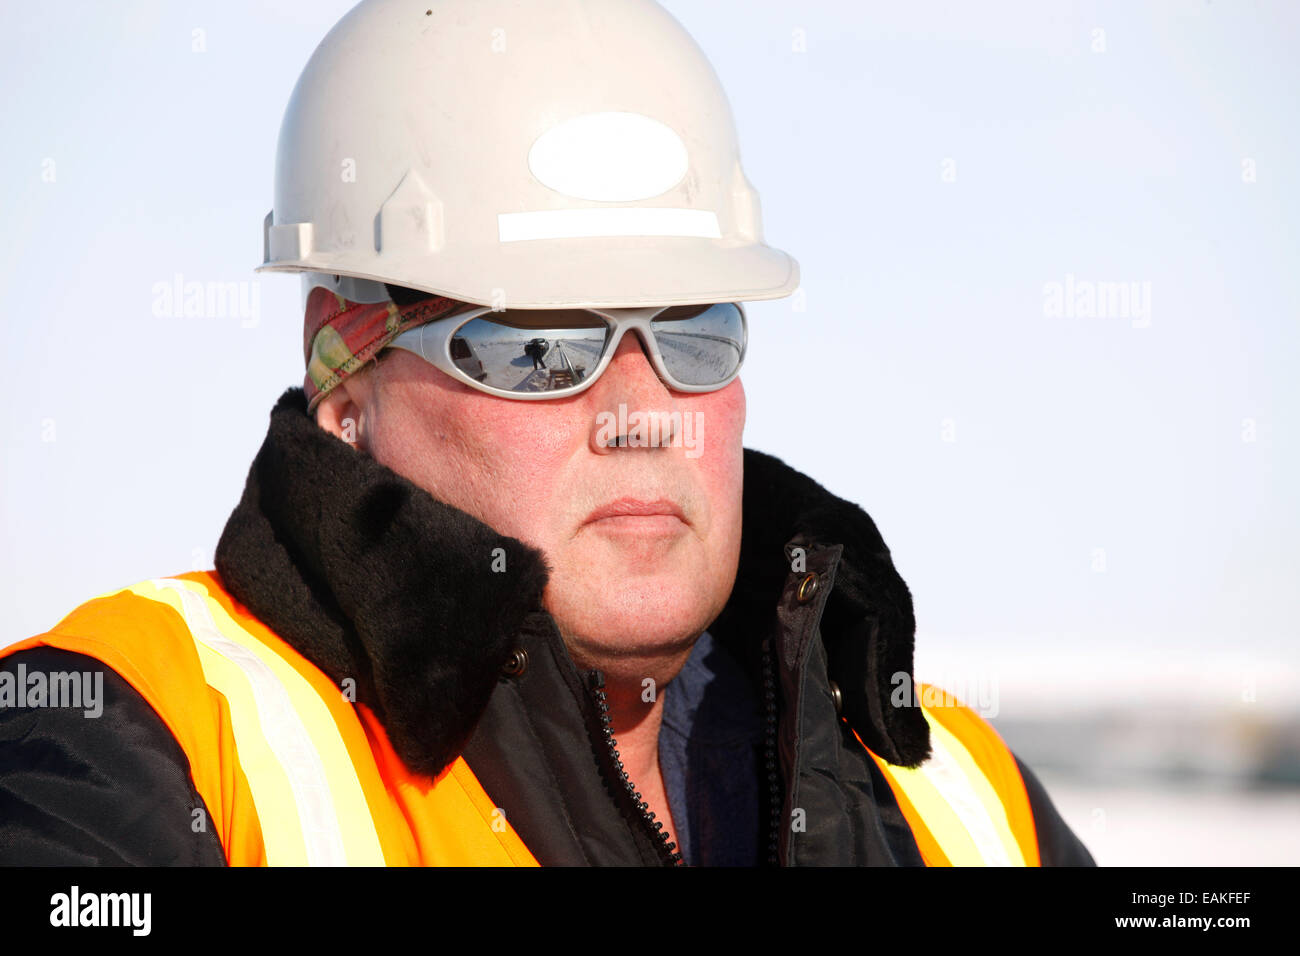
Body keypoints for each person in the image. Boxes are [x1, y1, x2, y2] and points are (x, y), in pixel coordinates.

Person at [0, 0, 1093, 867]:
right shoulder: (126, 749)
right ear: (345, 375)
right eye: (540, 344)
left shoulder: (952, 788)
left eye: (692, 332)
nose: (638, 411)